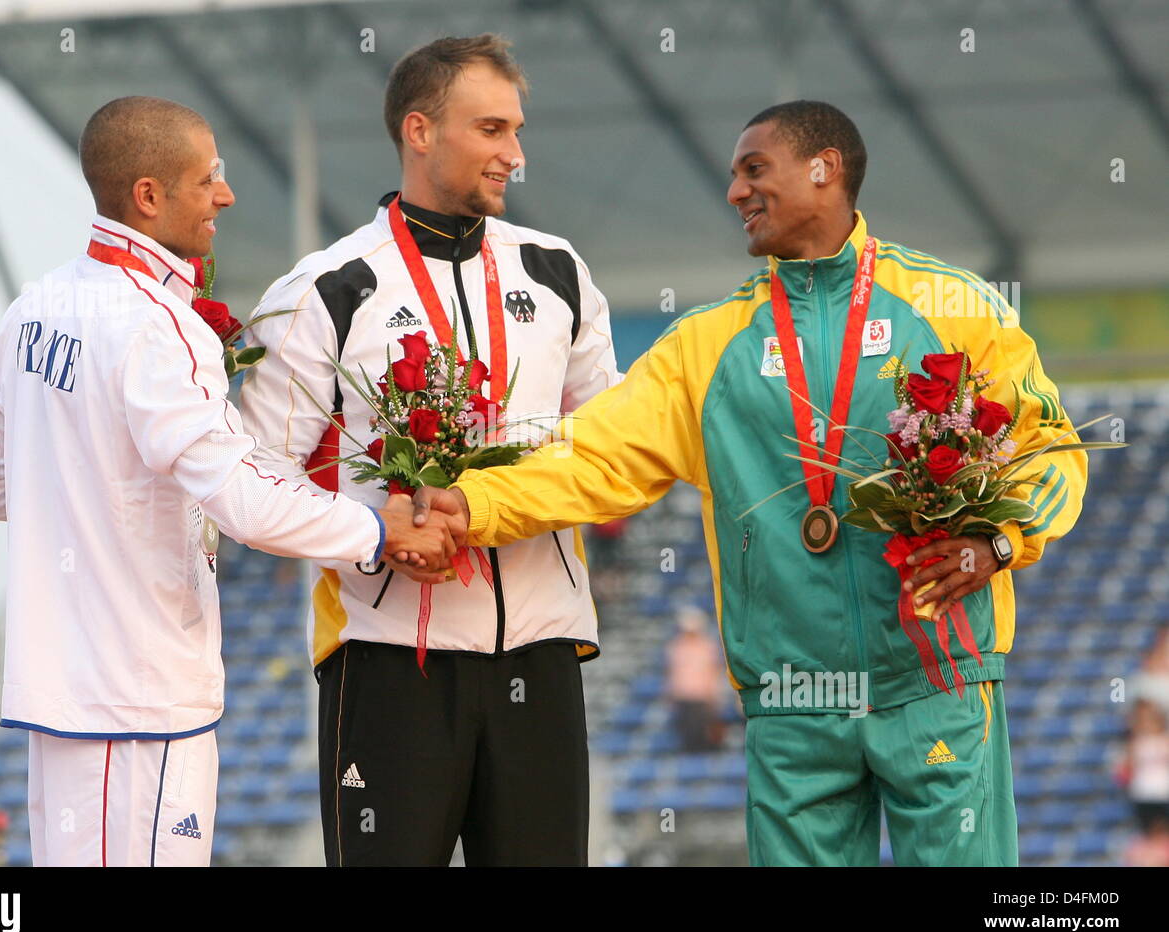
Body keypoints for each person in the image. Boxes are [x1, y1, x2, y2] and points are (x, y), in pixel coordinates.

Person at [415, 100, 1089, 866]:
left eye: (753, 169)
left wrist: (996, 544)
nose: (734, 191)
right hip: (793, 700)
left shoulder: (951, 306)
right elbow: (595, 456)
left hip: (936, 679)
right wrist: (471, 504)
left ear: (823, 169)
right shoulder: (706, 344)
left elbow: (1051, 450)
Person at [0, 96, 455, 867]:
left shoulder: (35, 305)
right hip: (140, 693)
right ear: (149, 196)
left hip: (61, 695)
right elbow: (245, 498)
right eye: (208, 178)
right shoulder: (159, 324)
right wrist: (375, 529)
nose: (225, 195)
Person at [237, 35, 619, 866]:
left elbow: (609, 454)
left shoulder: (557, 272)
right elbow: (251, 481)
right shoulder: (326, 287)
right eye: (491, 130)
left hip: (543, 654)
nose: (514, 154)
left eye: (516, 131)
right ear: (419, 130)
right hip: (387, 665)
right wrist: (376, 532)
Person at [667, 608, 727, 752]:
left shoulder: (707, 647)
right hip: (684, 697)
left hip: (702, 698)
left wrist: (715, 697)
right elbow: (672, 674)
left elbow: (713, 674)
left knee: (702, 733)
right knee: (688, 734)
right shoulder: (677, 647)